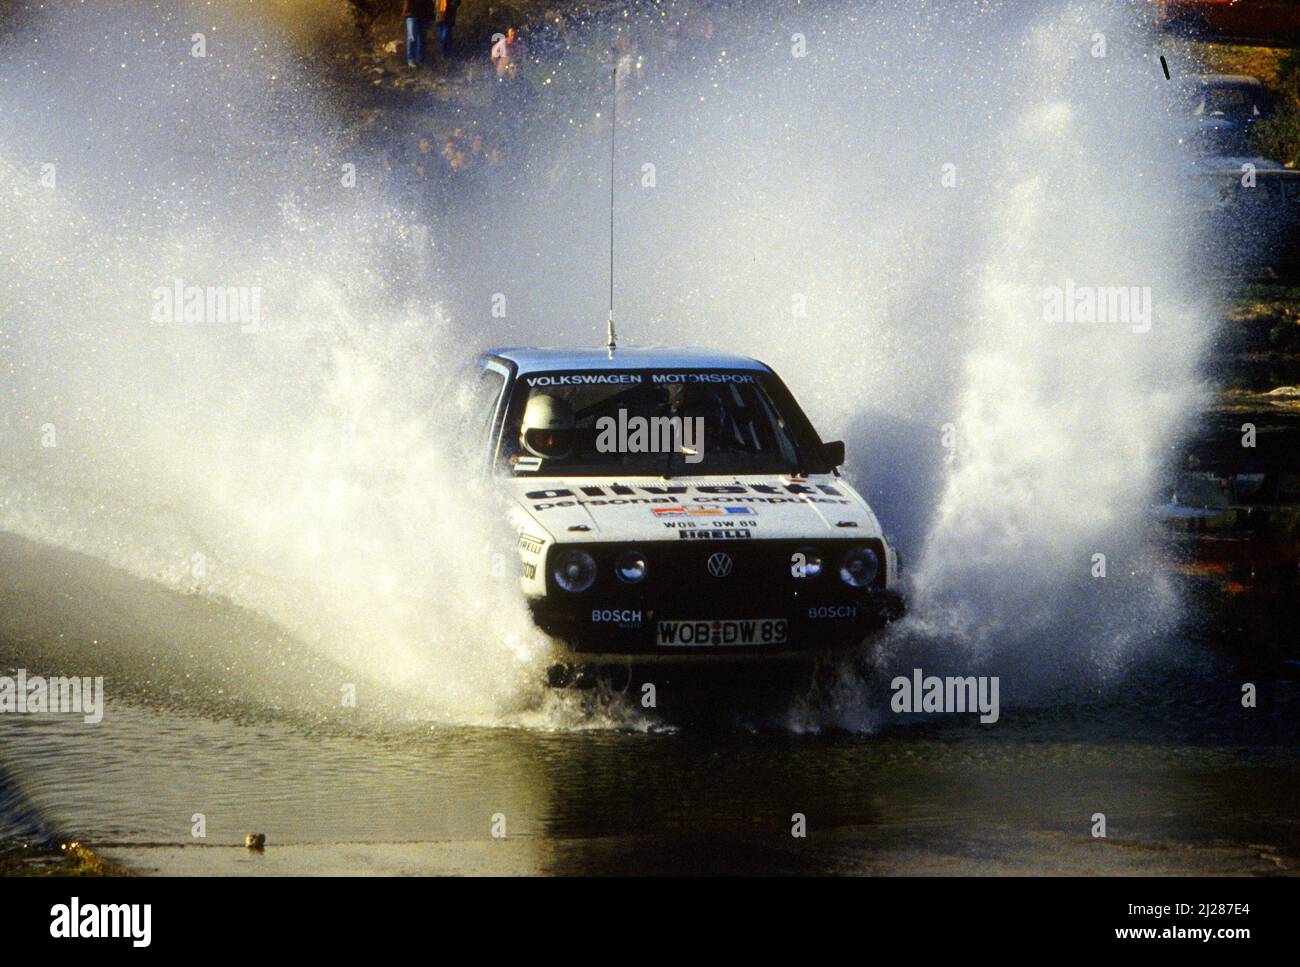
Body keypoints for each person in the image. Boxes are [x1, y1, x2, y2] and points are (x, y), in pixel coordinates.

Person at [402, 0, 436, 67]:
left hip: (425, 14)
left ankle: (420, 60)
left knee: (422, 38)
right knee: (412, 37)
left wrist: (431, 11)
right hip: (412, 13)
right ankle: (411, 60)